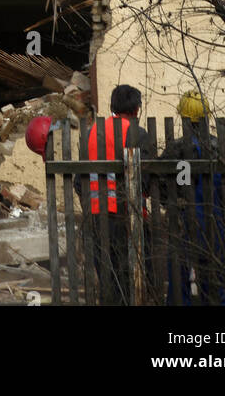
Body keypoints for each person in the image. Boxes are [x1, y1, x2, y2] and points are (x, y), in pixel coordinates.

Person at [81, 83, 151, 305]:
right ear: (136, 109)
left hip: (95, 218)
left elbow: (78, 180)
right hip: (126, 218)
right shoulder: (138, 134)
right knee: (131, 281)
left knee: (107, 281)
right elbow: (146, 182)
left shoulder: (90, 133)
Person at [159, 90, 225, 305]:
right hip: (214, 220)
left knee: (179, 281)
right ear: (206, 117)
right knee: (213, 280)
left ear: (184, 118)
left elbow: (161, 182)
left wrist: (168, 203)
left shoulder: (176, 148)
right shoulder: (218, 146)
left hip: (183, 221)